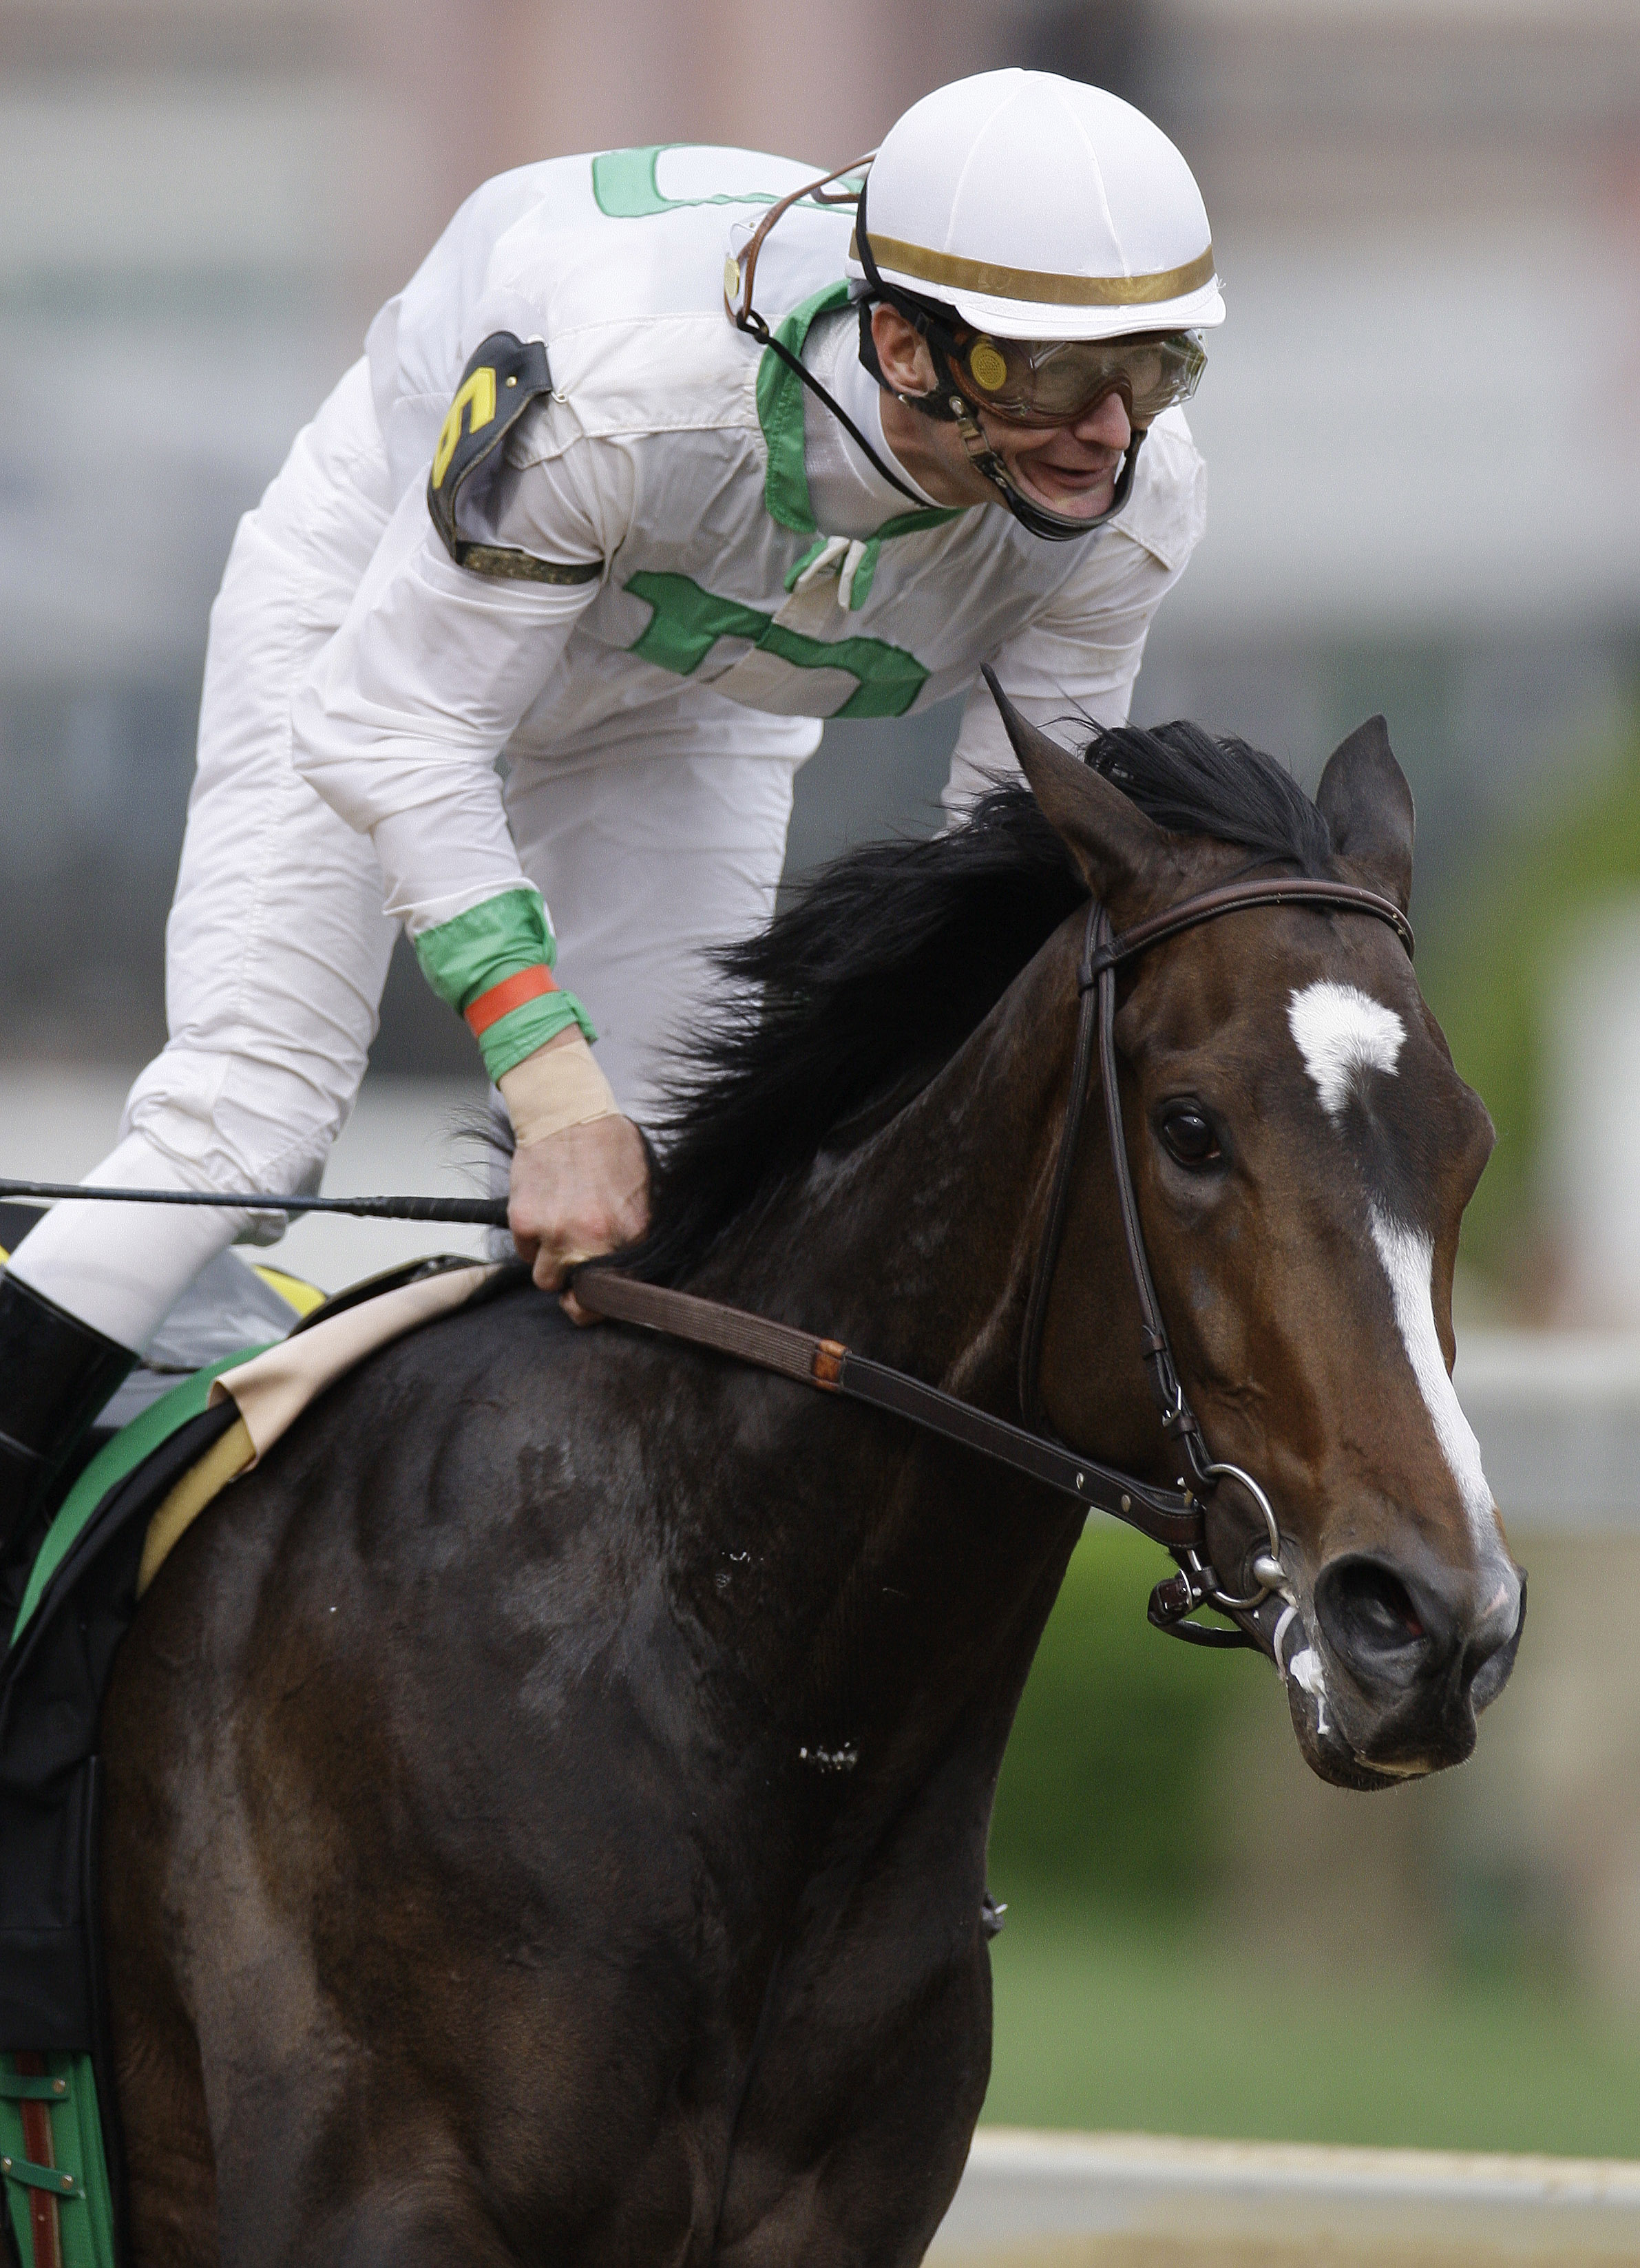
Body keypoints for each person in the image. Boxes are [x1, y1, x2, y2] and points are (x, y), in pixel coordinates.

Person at [0, 67, 1221, 1608]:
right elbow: (397, 725)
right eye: (1054, 379)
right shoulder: (627, 389)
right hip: (389, 620)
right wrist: (553, 1085)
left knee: (671, 1214)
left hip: (682, 695)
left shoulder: (1136, 505)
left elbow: (999, 861)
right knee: (251, 1121)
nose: (1106, 434)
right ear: (907, 348)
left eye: (1155, 366)